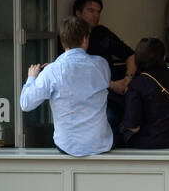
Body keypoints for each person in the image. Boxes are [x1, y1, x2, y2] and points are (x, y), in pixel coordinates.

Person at [19, 16, 114, 157]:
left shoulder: (52, 71)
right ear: (85, 39)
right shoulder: (102, 65)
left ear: (63, 42)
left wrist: (32, 77)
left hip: (68, 147)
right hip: (101, 144)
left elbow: (26, 104)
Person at [122, 38, 169, 149]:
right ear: (163, 57)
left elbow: (134, 126)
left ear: (137, 59)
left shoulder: (137, 84)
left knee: (122, 130)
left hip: (152, 142)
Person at [72, 0, 136, 95]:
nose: (96, 15)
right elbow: (76, 74)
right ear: (78, 13)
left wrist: (128, 78)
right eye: (91, 11)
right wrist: (112, 85)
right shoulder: (70, 36)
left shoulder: (102, 32)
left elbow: (130, 55)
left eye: (98, 12)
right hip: (89, 95)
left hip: (114, 91)